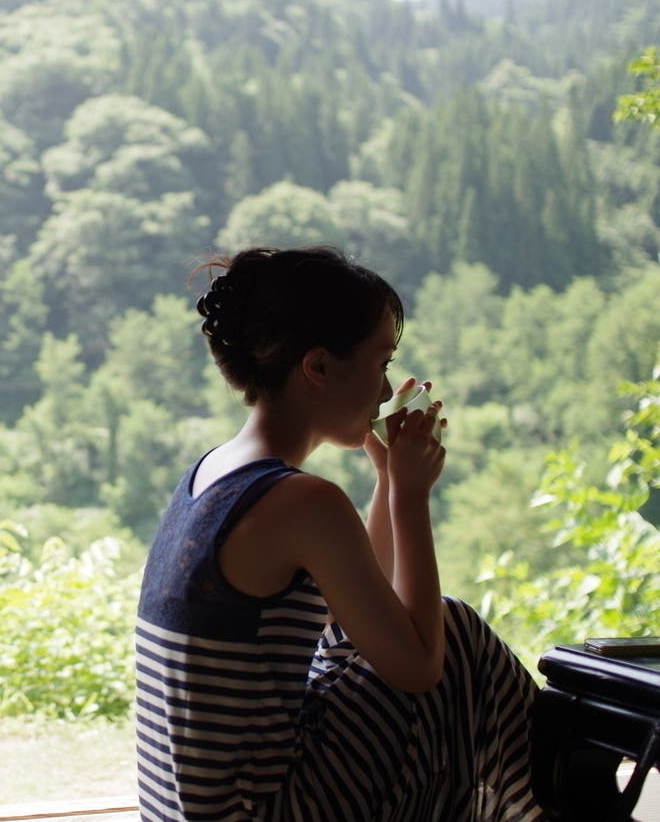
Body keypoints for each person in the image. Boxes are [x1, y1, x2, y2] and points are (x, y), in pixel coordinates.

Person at [135, 246, 543, 821]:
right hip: (261, 812)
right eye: (380, 364)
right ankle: (567, 791)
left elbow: (359, 615)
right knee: (455, 632)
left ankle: (560, 791)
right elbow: (419, 666)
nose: (384, 391)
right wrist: (409, 497)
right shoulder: (303, 501)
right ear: (319, 368)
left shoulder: (214, 472)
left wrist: (384, 478)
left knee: (410, 633)